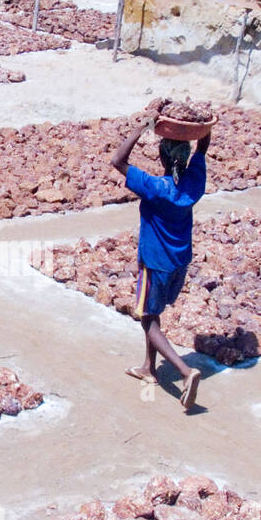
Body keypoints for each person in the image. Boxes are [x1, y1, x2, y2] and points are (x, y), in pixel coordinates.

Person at [110, 118, 211, 412]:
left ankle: (185, 371)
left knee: (148, 319)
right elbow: (202, 149)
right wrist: (202, 127)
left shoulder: (156, 187)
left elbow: (117, 160)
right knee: (155, 313)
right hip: (179, 262)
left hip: (155, 263)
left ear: (163, 157)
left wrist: (141, 128)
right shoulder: (193, 185)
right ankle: (148, 368)